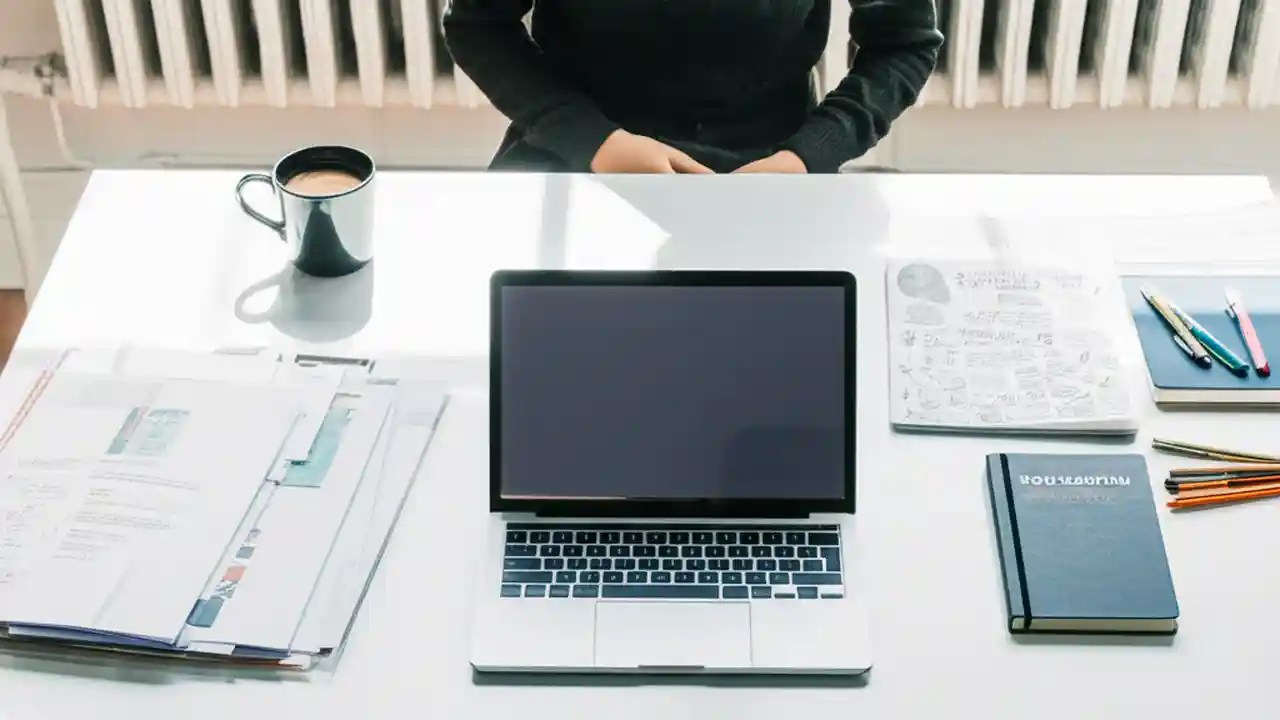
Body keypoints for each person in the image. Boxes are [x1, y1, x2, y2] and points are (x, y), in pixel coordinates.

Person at [443, 0, 943, 175]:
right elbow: (479, 25)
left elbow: (903, 43)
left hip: (768, 168)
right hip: (576, 151)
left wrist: (810, 154)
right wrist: (592, 140)